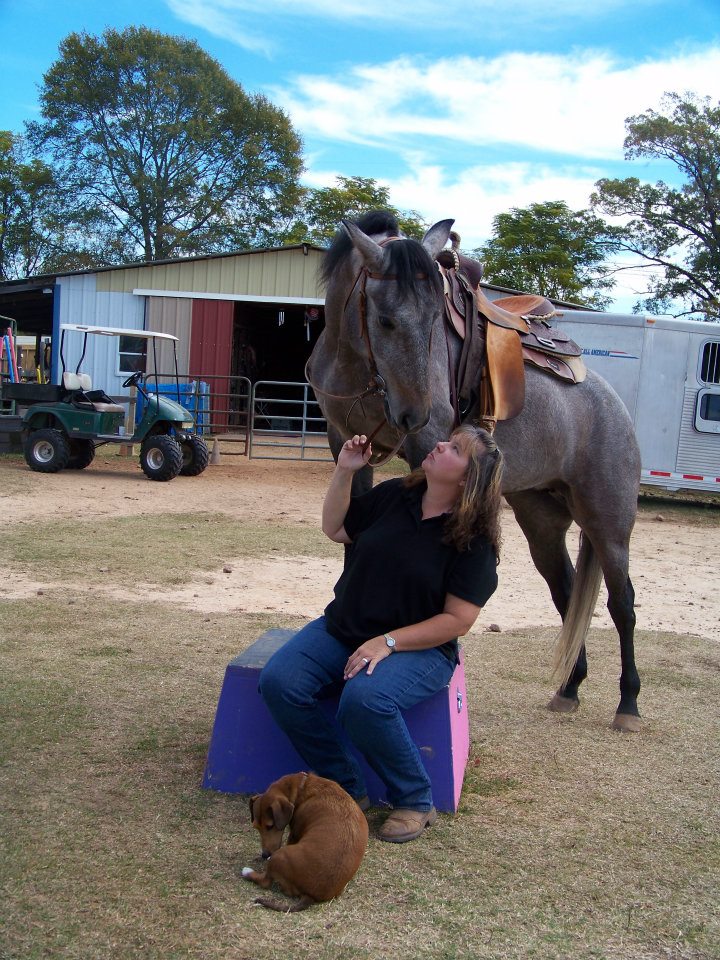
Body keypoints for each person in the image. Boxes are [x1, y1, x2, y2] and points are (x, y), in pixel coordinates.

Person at [259, 424, 504, 843]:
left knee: (364, 700)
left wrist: (388, 642)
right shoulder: (396, 495)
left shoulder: (473, 541)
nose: (440, 444)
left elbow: (458, 620)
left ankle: (414, 797)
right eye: (448, 439)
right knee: (279, 682)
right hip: (344, 628)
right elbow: (336, 528)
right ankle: (346, 786)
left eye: (456, 449)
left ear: (467, 478)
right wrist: (345, 471)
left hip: (419, 650)